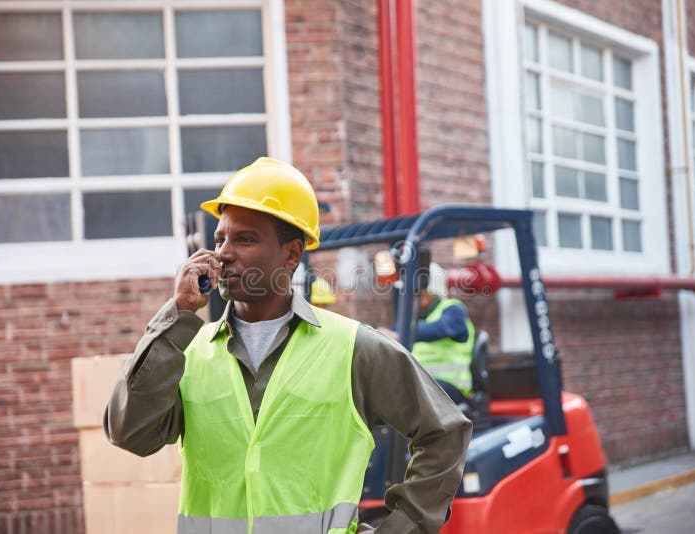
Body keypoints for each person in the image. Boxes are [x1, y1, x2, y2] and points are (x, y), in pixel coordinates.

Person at [104, 157, 472, 534]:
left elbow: (444, 432)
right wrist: (177, 316)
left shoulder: (354, 349)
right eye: (220, 239)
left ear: (292, 254)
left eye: (245, 239)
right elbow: (129, 433)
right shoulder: (188, 353)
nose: (224, 253)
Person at [385, 262, 475, 406]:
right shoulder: (417, 319)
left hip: (450, 385)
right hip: (423, 382)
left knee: (409, 399)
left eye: (415, 293)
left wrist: (400, 333)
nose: (412, 299)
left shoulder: (453, 310)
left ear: (428, 293)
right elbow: (398, 331)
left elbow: (441, 329)